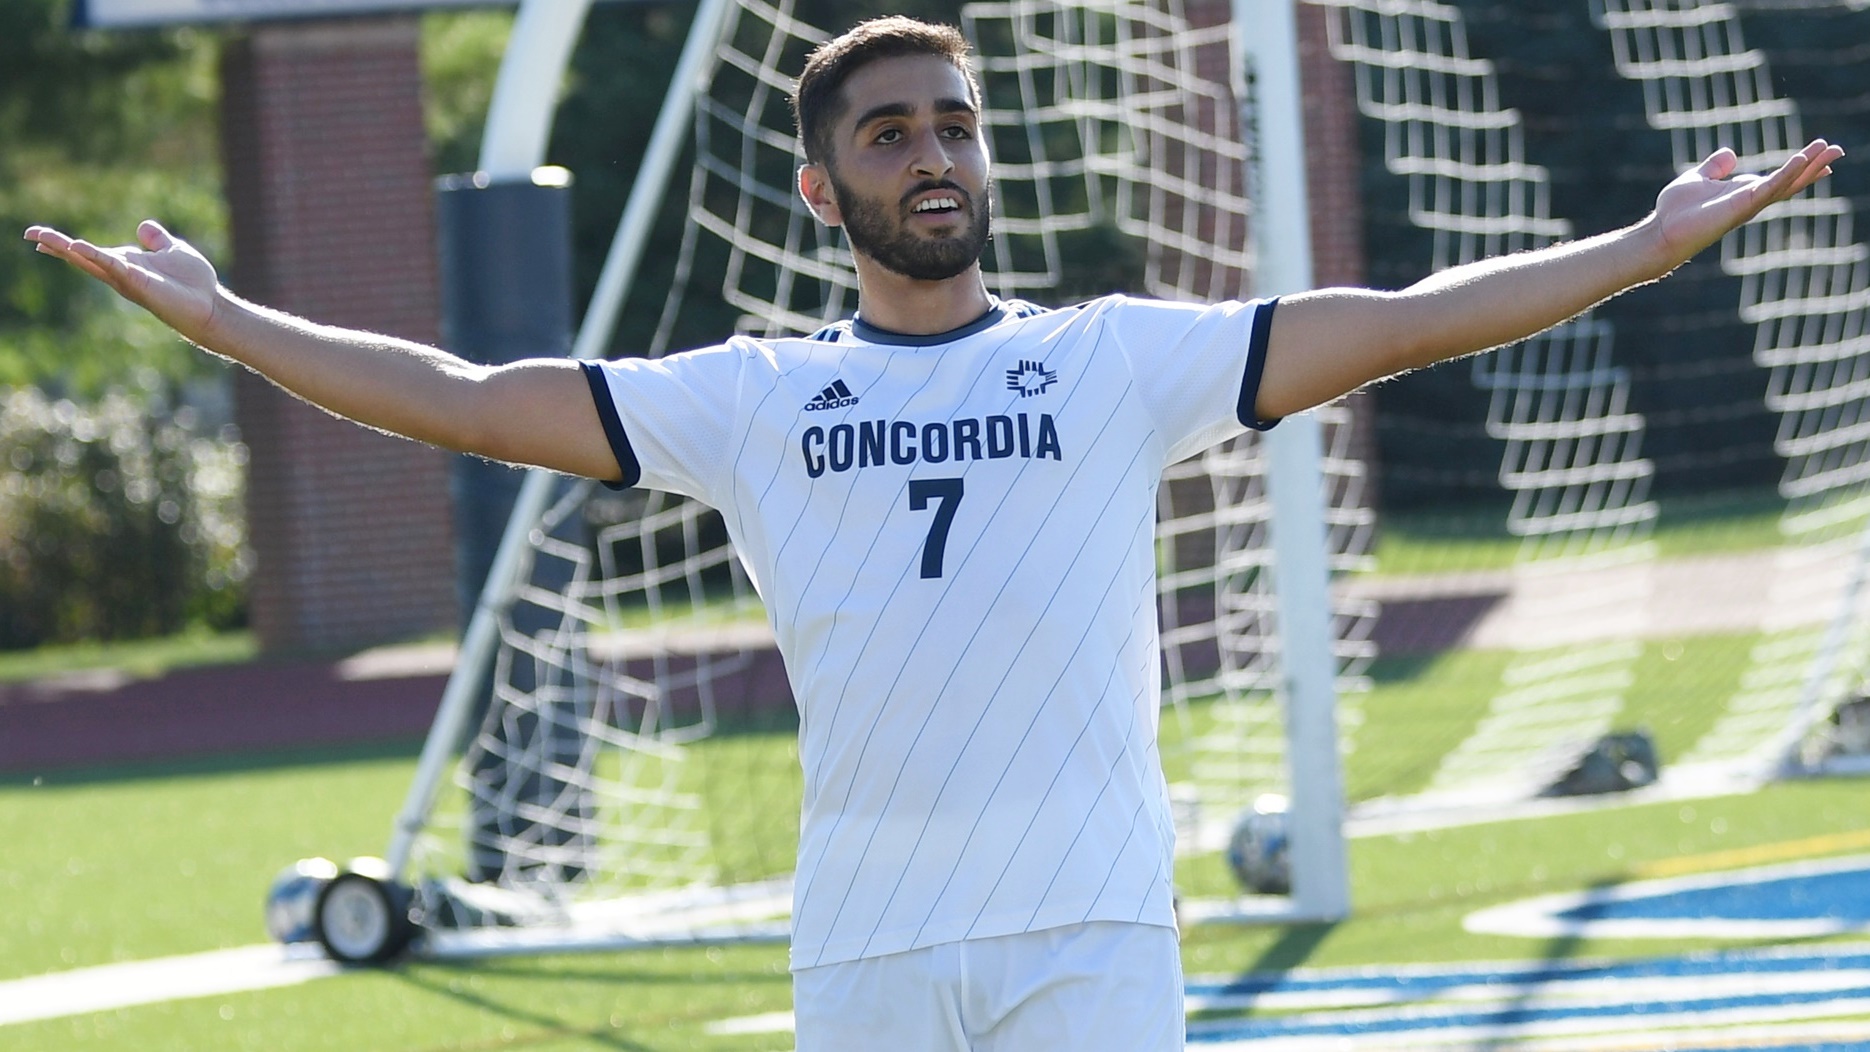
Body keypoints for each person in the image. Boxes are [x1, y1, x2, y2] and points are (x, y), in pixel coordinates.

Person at [24, 15, 1842, 1052]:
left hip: (1089, 932)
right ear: (822, 187)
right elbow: (472, 396)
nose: (933, 155)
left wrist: (1637, 248)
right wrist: (230, 322)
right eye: (889, 135)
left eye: (954, 126)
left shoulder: (1112, 361)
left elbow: (1403, 319)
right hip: (868, 944)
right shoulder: (753, 394)